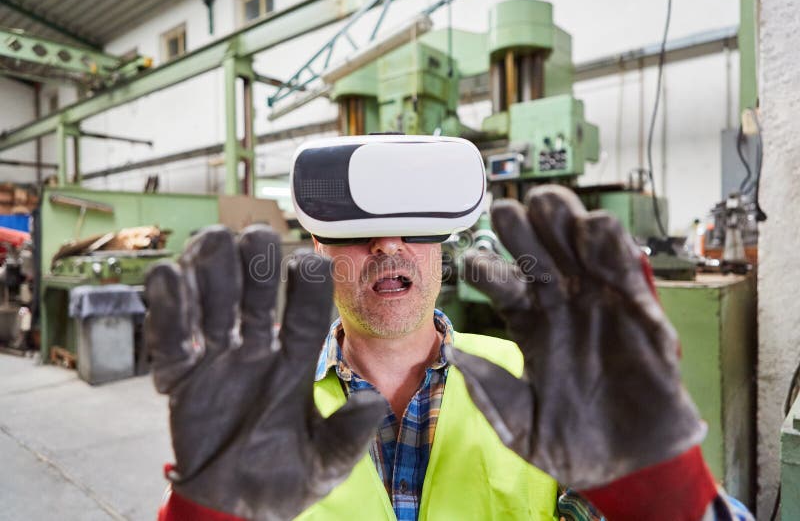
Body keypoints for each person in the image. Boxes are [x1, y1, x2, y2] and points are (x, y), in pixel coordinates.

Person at [146, 136, 753, 520]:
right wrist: (202, 515)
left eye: (413, 225)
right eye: (358, 230)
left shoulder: (534, 381)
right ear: (317, 242)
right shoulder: (259, 410)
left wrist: (662, 495)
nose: (388, 244)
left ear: (442, 245)